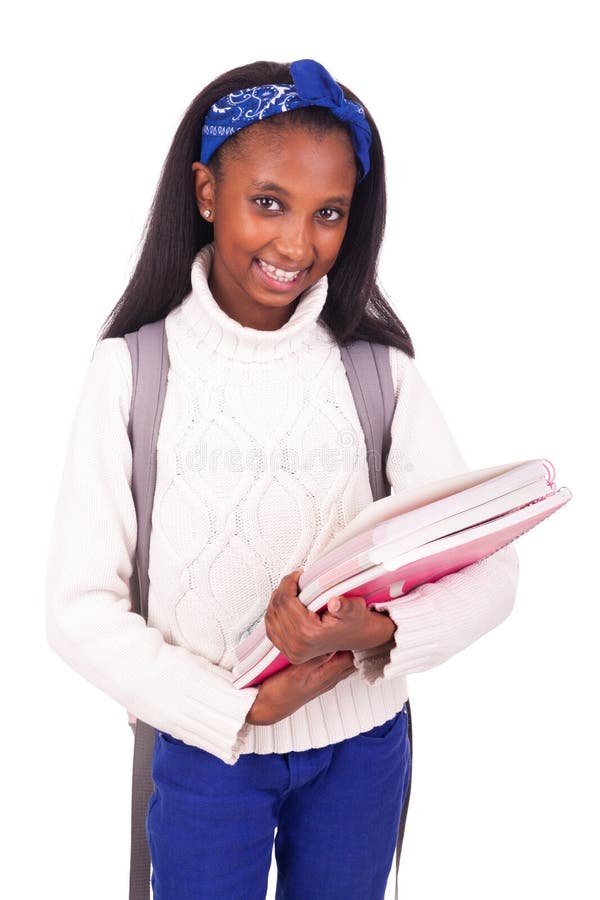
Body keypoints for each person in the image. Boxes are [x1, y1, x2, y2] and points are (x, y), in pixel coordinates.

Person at [45, 58, 520, 900]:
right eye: (268, 202)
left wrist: (369, 636)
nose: (297, 244)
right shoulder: (132, 372)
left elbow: (491, 571)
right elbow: (79, 608)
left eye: (328, 213)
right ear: (203, 191)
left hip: (363, 753)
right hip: (204, 755)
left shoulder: (380, 371)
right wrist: (238, 710)